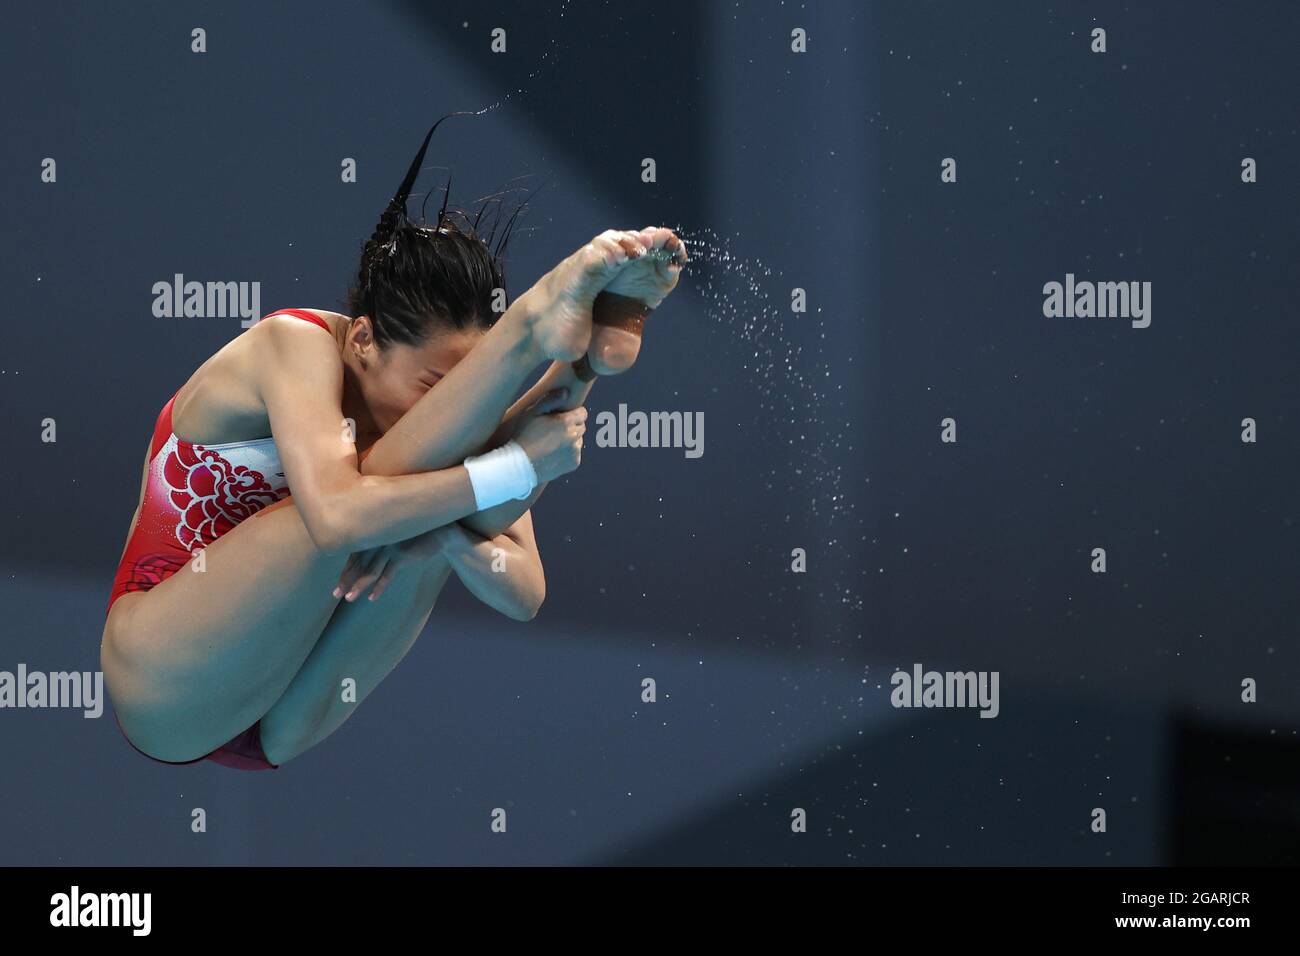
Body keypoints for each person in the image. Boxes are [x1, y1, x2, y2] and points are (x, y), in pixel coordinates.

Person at [100, 118, 687, 770]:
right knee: (389, 493)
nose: (451, 405)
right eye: (438, 384)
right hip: (169, 681)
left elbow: (523, 593)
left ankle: (584, 361)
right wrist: (514, 467)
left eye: (472, 383)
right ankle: (539, 339)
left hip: (283, 726)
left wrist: (446, 528)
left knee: (433, 505)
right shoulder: (291, 346)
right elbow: (335, 517)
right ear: (362, 341)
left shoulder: (442, 433)